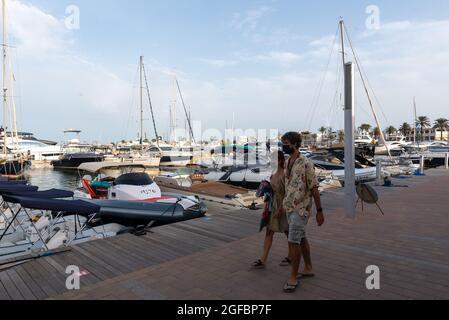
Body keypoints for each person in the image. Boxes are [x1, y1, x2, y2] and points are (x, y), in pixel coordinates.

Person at [281, 132, 325, 293]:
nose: (283, 146)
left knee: (293, 241)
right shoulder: (288, 162)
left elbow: (313, 186)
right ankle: (308, 267)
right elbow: (289, 186)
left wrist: (320, 211)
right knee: (301, 238)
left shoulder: (306, 162)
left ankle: (293, 276)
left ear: (294, 144)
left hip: (301, 208)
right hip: (289, 206)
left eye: (285, 143)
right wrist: (282, 205)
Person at [252, 151, 291, 269]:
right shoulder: (272, 175)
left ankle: (291, 255)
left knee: (288, 231)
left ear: (279, 161)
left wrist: (281, 208)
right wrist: (266, 206)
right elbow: (271, 193)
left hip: (283, 207)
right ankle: (263, 259)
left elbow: (288, 193)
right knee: (269, 232)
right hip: (272, 206)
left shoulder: (285, 175)